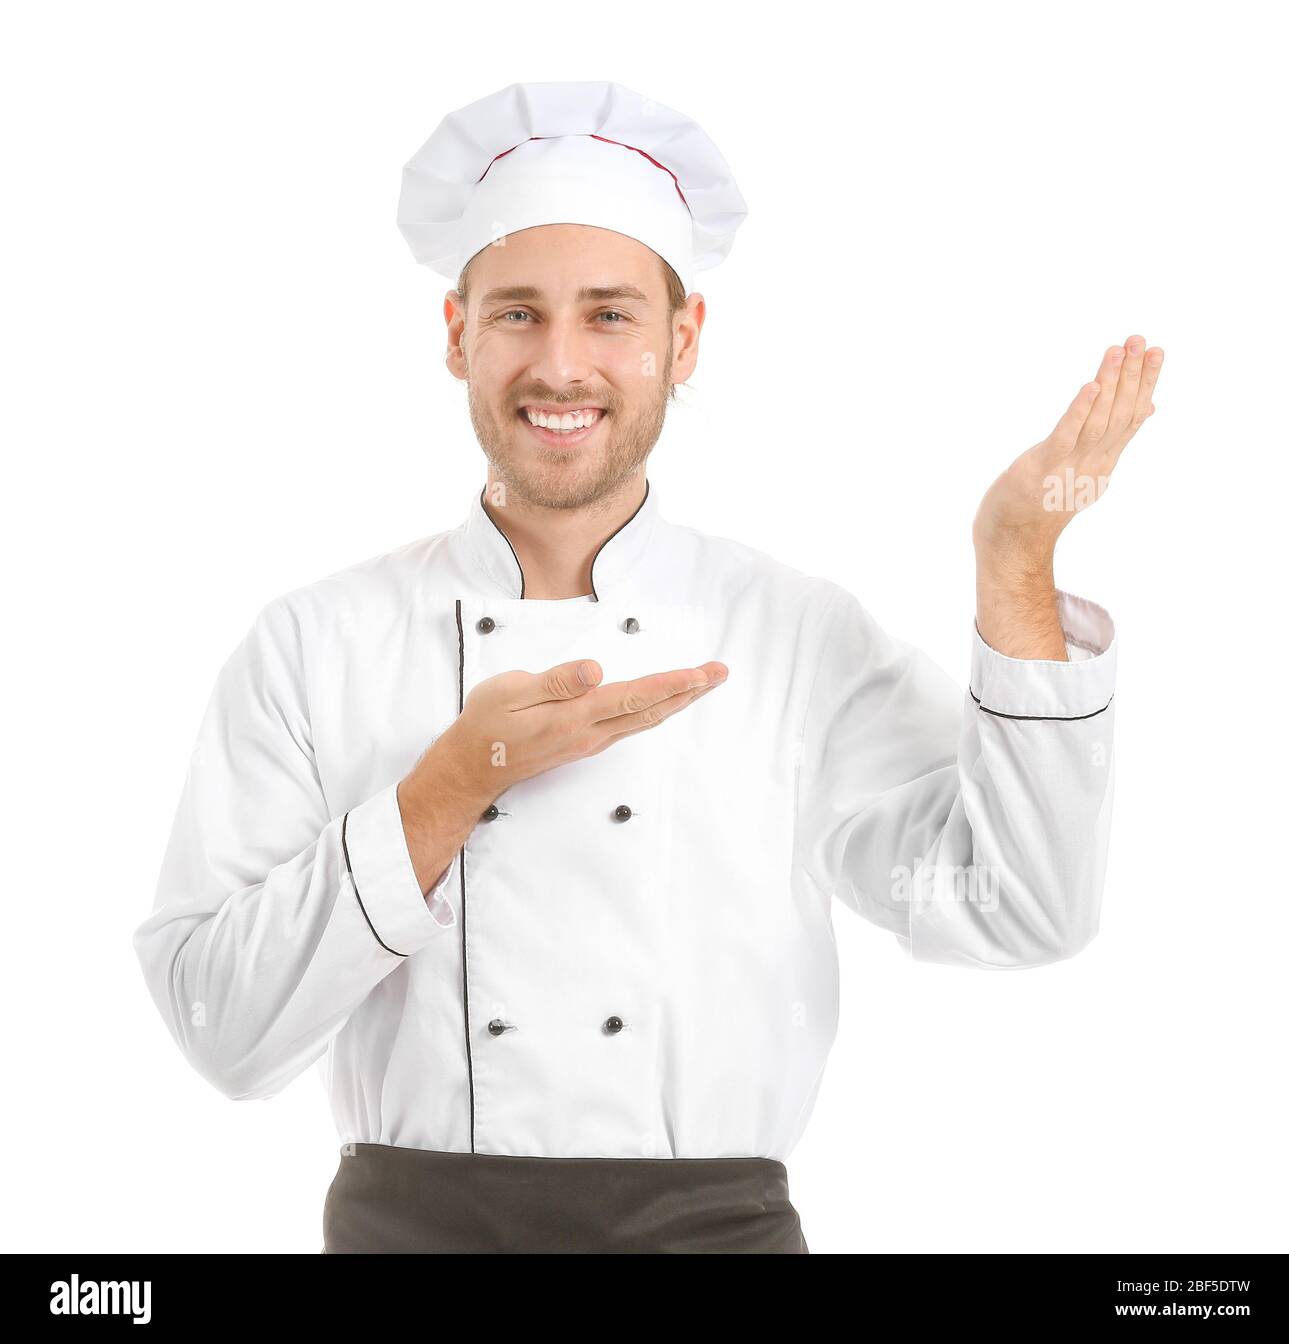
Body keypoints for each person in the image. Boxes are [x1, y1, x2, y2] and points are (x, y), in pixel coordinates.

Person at [133, 80, 1164, 1254]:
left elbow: (1023, 908)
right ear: (457, 335)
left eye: (611, 316)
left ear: (684, 340)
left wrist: (1014, 562)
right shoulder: (315, 644)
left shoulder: (790, 636)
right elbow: (219, 1027)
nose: (560, 365)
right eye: (518, 313)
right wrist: (451, 785)